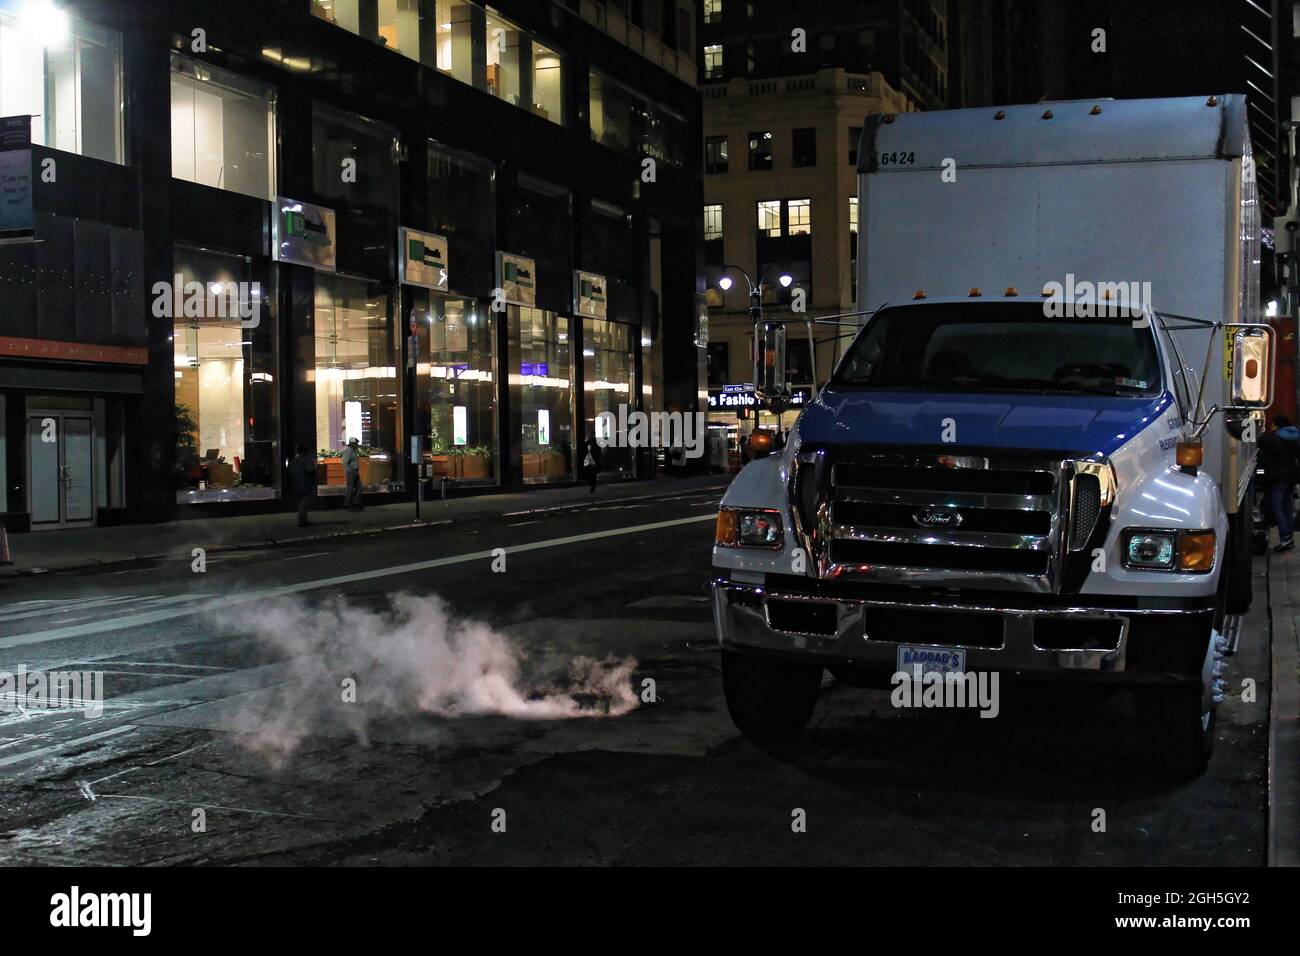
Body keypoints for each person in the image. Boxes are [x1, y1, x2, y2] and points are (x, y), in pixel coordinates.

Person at [1258, 415, 1300, 552]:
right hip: (1291, 478)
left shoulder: (1274, 439)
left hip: (1277, 478)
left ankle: (1285, 537)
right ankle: (1289, 538)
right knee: (1287, 508)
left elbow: (1256, 440)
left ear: (1276, 425)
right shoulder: (1294, 437)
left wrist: (1251, 426)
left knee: (1277, 507)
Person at [288, 443, 317, 527]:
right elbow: (310, 470)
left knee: (301, 502)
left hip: (296, 483)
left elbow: (290, 471)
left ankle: (303, 521)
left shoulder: (294, 460)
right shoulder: (306, 460)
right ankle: (302, 521)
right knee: (304, 503)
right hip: (305, 483)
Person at [342, 437, 364, 510]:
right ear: (352, 443)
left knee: (359, 487)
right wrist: (349, 470)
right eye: (356, 442)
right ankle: (347, 503)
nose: (357, 444)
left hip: (355, 471)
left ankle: (356, 503)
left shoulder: (353, 450)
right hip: (352, 471)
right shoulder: (348, 450)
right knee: (350, 488)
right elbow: (345, 462)